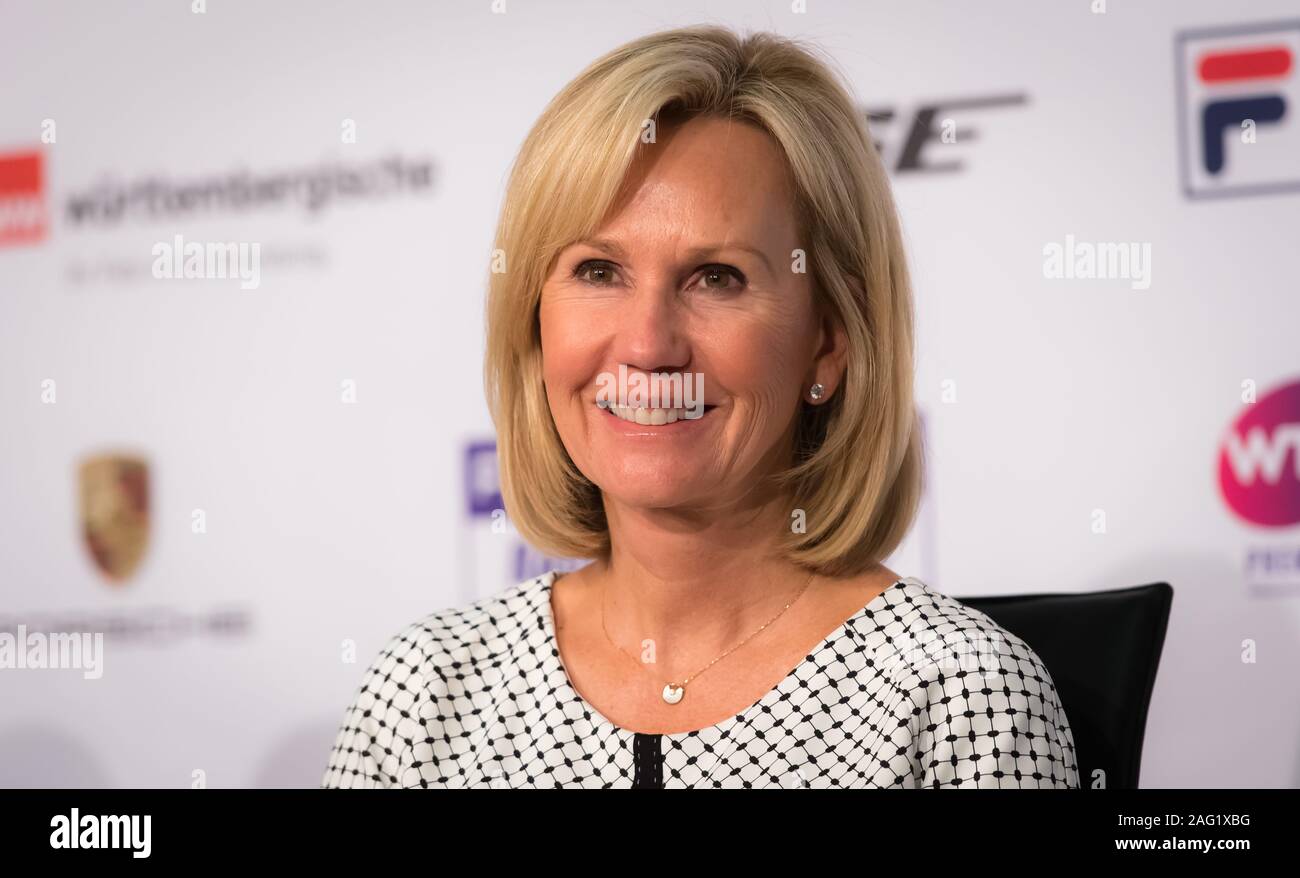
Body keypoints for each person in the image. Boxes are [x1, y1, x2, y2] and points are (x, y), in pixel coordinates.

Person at [322, 24, 1079, 789]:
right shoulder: (425, 696)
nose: (649, 345)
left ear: (829, 340)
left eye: (716, 278)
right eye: (598, 270)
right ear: (534, 321)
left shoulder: (956, 697)